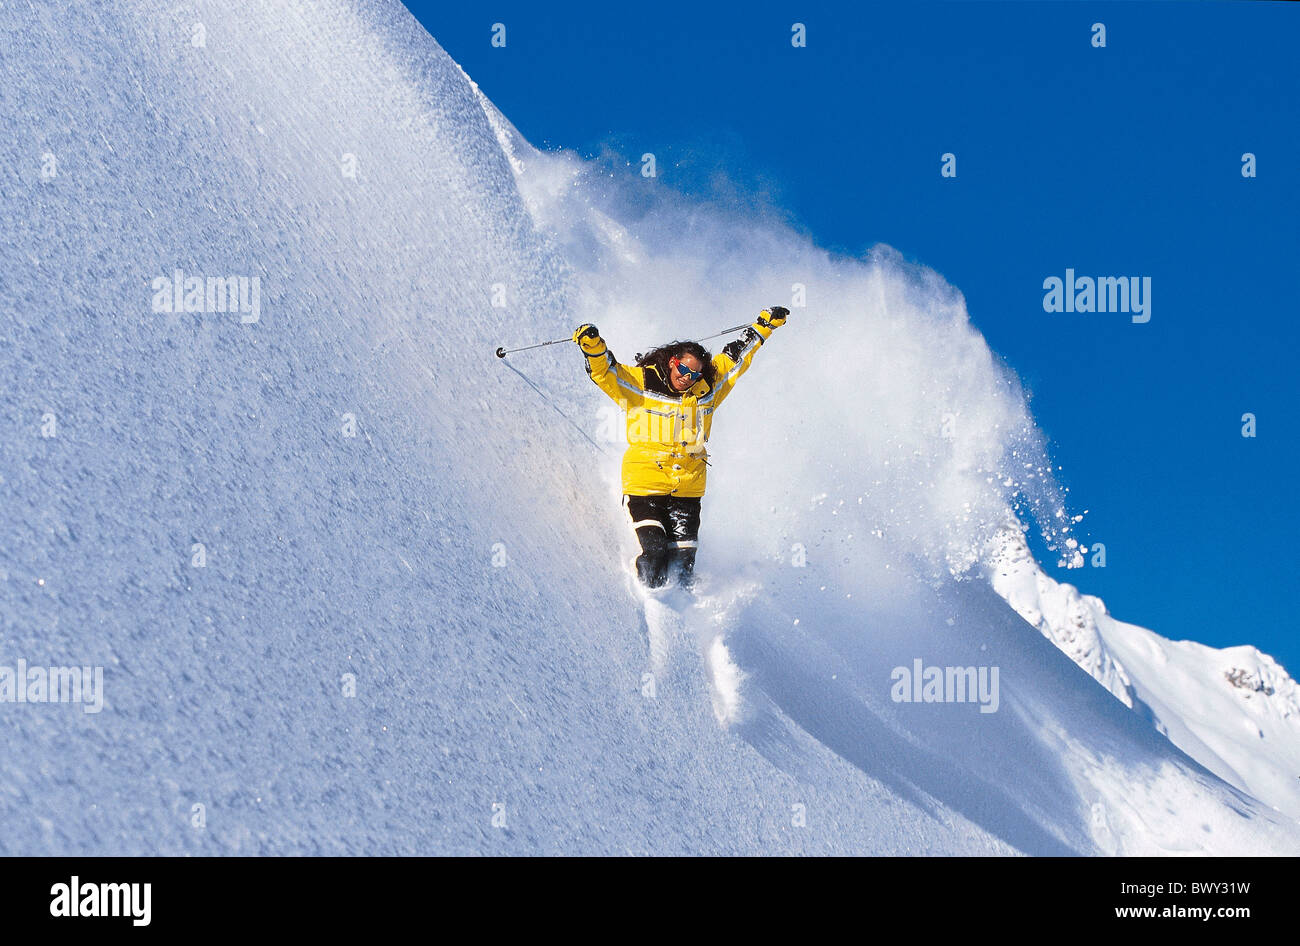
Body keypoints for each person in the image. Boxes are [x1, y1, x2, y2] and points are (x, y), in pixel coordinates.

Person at [573, 306, 789, 588]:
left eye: (695, 374)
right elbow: (606, 372)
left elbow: (737, 357)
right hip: (645, 485)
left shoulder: (707, 390)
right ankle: (644, 597)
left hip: (687, 489)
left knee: (683, 566)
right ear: (672, 362)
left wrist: (765, 326)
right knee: (655, 554)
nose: (688, 377)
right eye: (684, 369)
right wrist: (592, 346)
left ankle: (683, 606)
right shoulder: (642, 384)